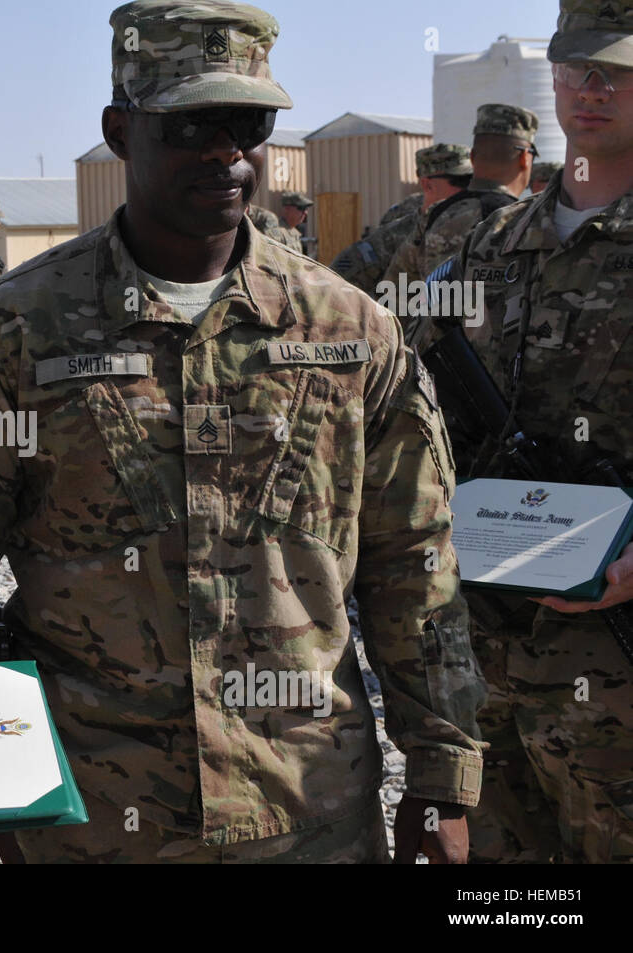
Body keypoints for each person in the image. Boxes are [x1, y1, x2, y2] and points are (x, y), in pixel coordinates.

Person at [0, 0, 484, 864]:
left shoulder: (349, 331)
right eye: (192, 124)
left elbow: (411, 558)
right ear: (120, 131)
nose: (226, 151)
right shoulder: (15, 328)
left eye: (248, 123)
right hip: (89, 814)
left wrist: (442, 765)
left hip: (308, 812)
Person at [448, 0, 633, 864]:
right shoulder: (489, 246)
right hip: (487, 657)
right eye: (576, 66)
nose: (592, 88)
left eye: (620, 69)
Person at [384, 105, 536, 299]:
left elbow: (394, 291)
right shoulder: (524, 219)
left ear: (472, 157)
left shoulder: (435, 214)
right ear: (525, 158)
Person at [331, 144, 471, 298]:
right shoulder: (393, 237)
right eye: (461, 181)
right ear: (428, 185)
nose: (471, 188)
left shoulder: (482, 222)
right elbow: (337, 285)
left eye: (473, 179)